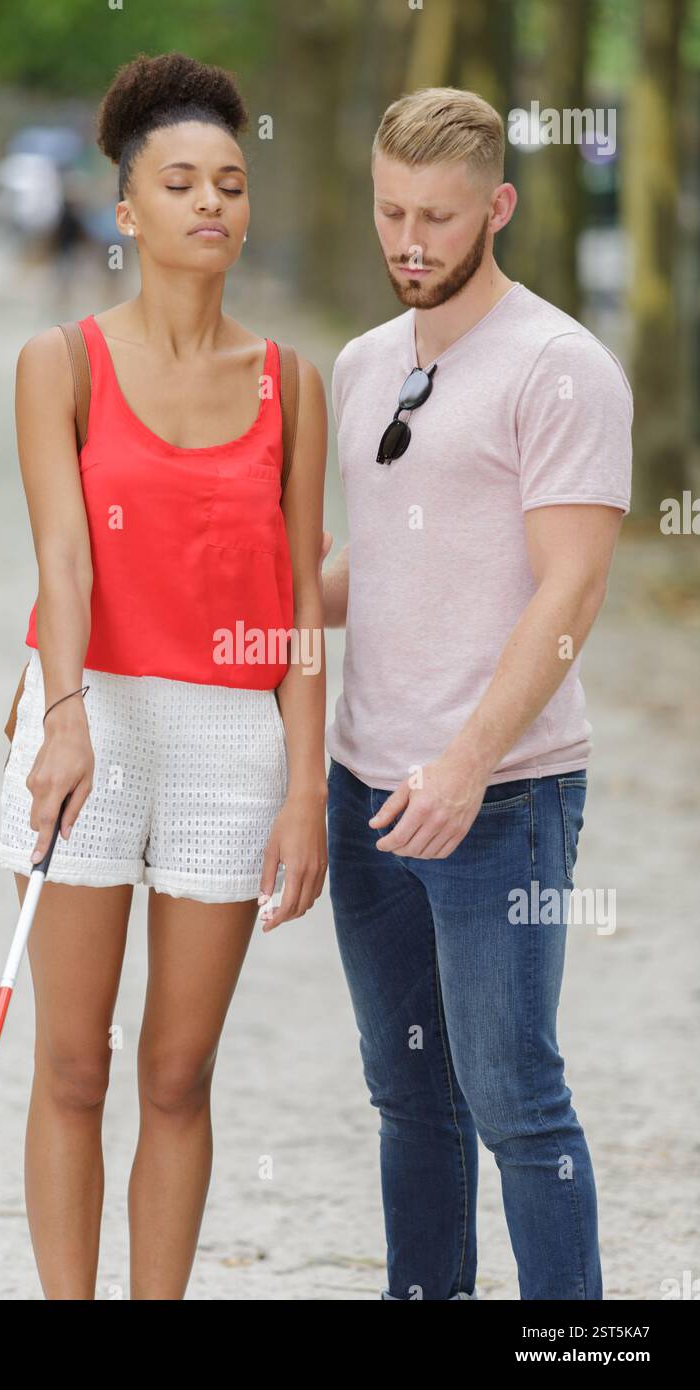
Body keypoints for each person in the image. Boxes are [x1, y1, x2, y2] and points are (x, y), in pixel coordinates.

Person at [0, 51, 328, 1300]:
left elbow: (301, 604)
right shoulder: (61, 362)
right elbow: (63, 558)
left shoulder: (289, 382)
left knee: (178, 1075)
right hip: (87, 718)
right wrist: (62, 714)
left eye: (229, 183)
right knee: (74, 1064)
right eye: (180, 182)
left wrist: (306, 788)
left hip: (231, 743)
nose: (210, 203)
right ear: (126, 209)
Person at [320, 87, 632, 1300]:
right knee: (407, 1095)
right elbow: (379, 566)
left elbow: (571, 588)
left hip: (499, 799)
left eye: (437, 218)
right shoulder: (363, 362)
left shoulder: (558, 368)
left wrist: (462, 764)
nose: (409, 242)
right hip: (365, 791)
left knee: (515, 1102)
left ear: (496, 207)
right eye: (390, 212)